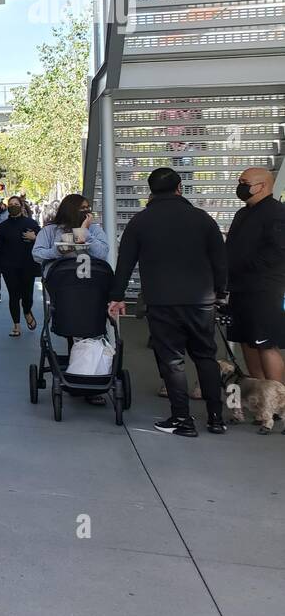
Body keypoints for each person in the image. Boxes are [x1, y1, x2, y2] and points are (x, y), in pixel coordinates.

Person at [108, 167, 228, 436]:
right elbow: (220, 260)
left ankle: (182, 419)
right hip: (201, 301)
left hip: (161, 301)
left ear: (150, 191)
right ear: (179, 188)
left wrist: (116, 296)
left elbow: (125, 263)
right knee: (206, 356)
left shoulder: (140, 221)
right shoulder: (203, 219)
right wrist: (221, 291)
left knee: (172, 360)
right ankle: (216, 418)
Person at [225, 166, 285, 385]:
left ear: (262, 186)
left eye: (245, 183)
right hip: (240, 288)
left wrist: (245, 265)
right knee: (247, 341)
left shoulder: (277, 213)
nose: (240, 187)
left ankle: (278, 399)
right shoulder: (243, 213)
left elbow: (277, 252)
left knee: (265, 343)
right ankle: (259, 392)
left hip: (264, 289)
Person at [0, 196, 40, 337]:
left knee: (27, 296)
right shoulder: (4, 226)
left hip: (27, 265)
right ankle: (16, 325)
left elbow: (43, 239)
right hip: (9, 266)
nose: (13, 206)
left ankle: (27, 311)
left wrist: (34, 237)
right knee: (13, 295)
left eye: (16, 204)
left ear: (21, 206)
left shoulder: (31, 223)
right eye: (11, 204)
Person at [32, 194, 109, 270]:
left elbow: (102, 254)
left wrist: (84, 232)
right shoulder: (49, 230)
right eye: (82, 208)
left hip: (90, 276)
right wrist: (57, 251)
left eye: (88, 207)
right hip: (60, 277)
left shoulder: (94, 229)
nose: (86, 211)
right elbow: (37, 255)